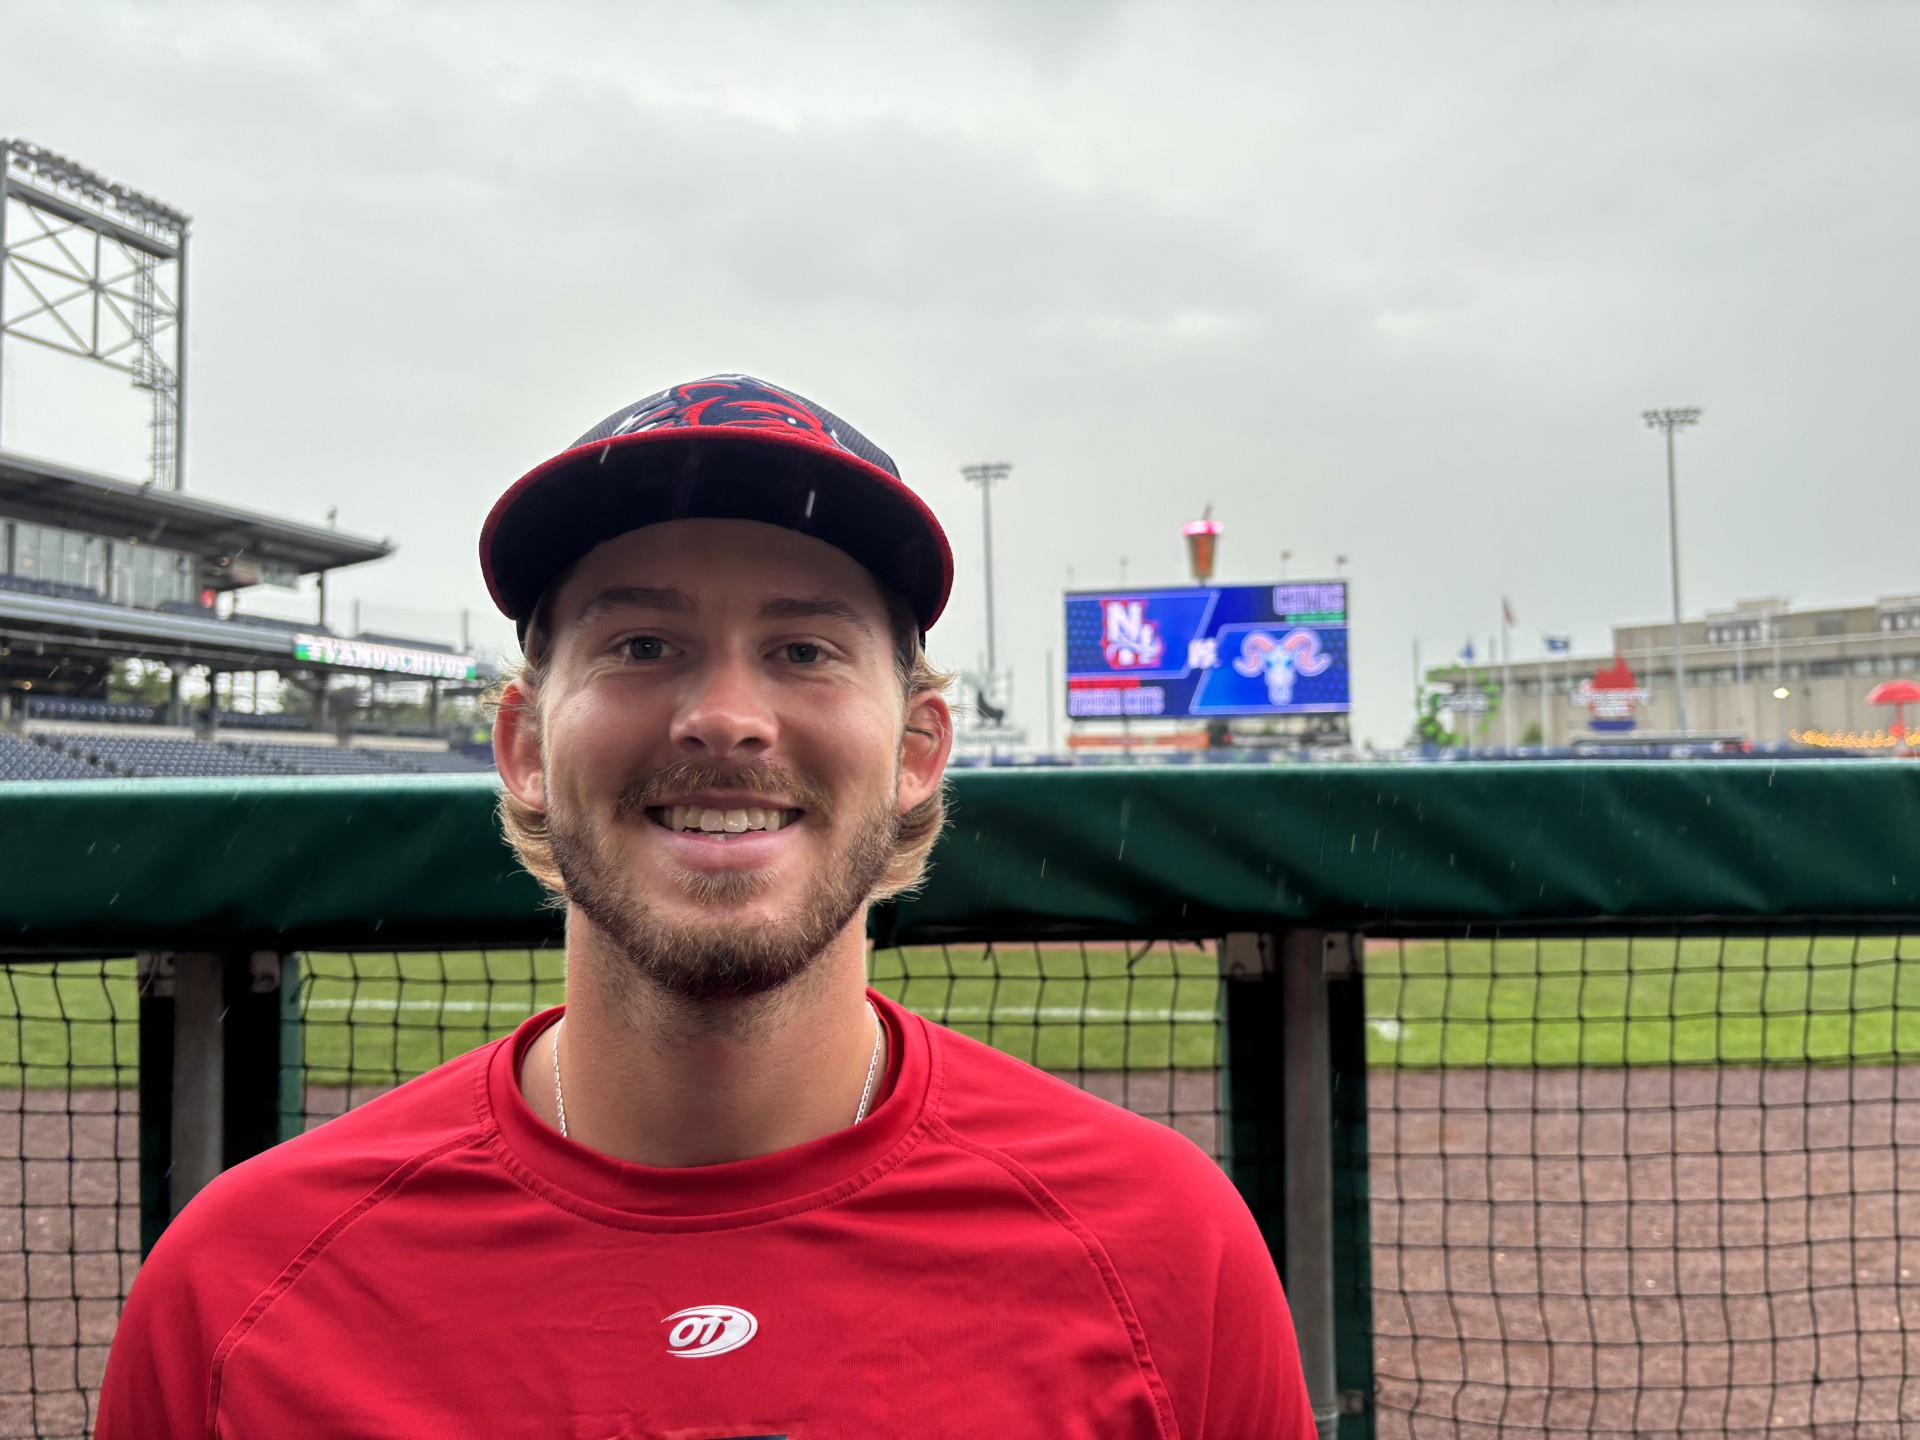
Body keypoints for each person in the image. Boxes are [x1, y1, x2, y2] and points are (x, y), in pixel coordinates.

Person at [98, 374, 1316, 1438]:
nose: (723, 714)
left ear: (917, 750)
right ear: (522, 745)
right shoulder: (241, 1286)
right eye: (639, 644)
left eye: (804, 650)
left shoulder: (1161, 1254)